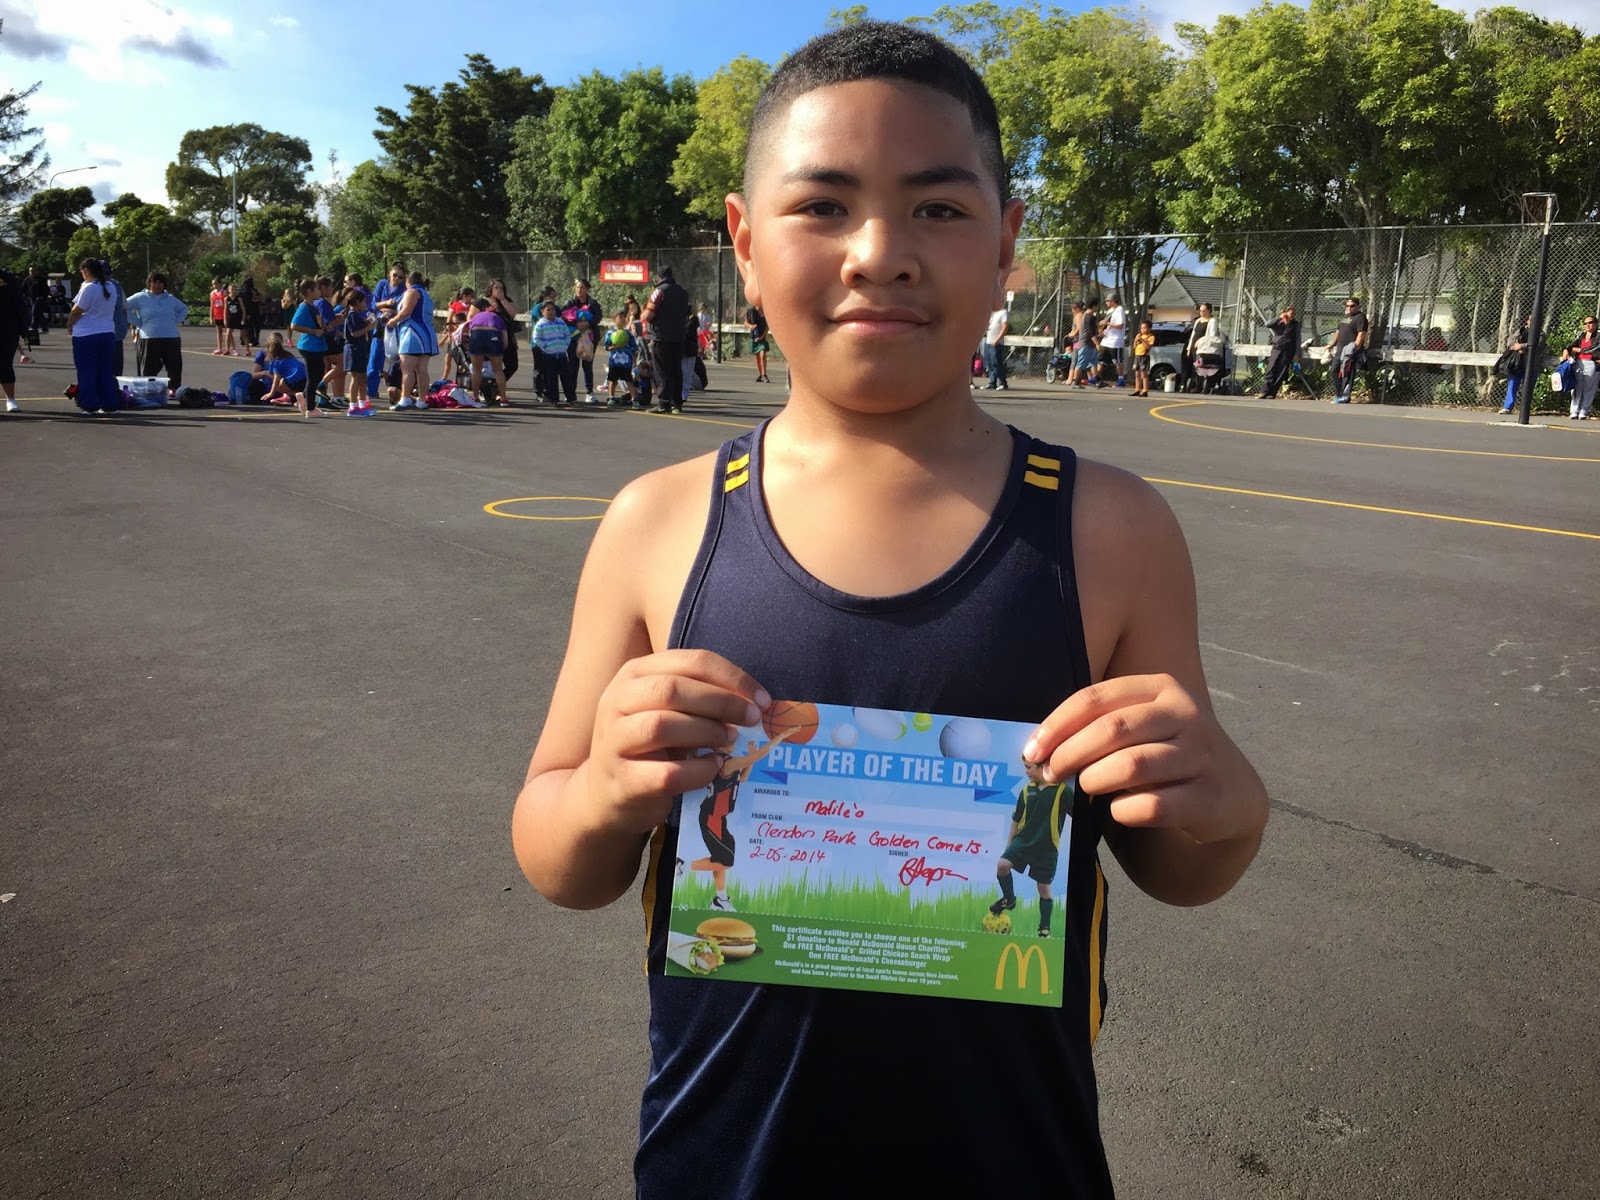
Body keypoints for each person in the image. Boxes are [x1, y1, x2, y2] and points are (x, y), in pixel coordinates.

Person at [509, 22, 1268, 1200]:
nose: (880, 253)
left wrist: (1220, 803)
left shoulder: (1109, 530)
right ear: (744, 246)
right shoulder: (658, 522)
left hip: (1019, 1161)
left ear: (1008, 244)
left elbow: (1182, 865)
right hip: (723, 1162)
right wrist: (607, 788)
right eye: (822, 206)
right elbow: (557, 853)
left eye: (939, 209)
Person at [675, 732, 792, 912]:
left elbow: (743, 778)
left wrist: (749, 759)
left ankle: (720, 900)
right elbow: (759, 755)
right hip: (711, 819)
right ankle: (683, 865)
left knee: (721, 861)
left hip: (719, 820)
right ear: (721, 743)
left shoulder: (728, 762)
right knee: (726, 861)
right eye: (731, 738)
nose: (736, 740)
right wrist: (781, 736)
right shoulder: (727, 763)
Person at [988, 758, 1071, 937]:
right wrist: (1009, 845)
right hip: (1023, 841)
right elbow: (1016, 820)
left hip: (1047, 847)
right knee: (1002, 865)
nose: (1026, 772)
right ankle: (1009, 900)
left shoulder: (1062, 791)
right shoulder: (1026, 791)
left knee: (1043, 887)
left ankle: (1044, 928)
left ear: (1043, 767)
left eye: (1028, 768)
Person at [68, 257, 121, 415]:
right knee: (105, 370)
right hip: (107, 333)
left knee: (87, 371)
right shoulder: (111, 287)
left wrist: (69, 323)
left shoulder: (89, 288)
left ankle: (89, 404)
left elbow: (77, 310)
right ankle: (109, 404)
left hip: (86, 334)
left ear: (86, 271)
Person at [125, 273, 189, 394]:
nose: (157, 285)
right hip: (149, 337)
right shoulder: (140, 297)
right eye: (155, 282)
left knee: (174, 366)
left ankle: (174, 389)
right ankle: (148, 390)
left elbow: (183, 308)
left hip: (171, 337)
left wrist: (175, 321)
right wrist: (136, 322)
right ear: (149, 283)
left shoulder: (170, 299)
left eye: (160, 283)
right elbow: (124, 306)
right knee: (148, 368)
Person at [642, 265, 689, 413]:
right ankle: (677, 403)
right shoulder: (683, 293)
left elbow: (649, 315)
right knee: (676, 370)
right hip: (678, 336)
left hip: (661, 336)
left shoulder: (659, 291)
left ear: (659, 277)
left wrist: (643, 316)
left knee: (662, 370)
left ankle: (663, 403)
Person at [389, 271, 439, 411]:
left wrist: (392, 321)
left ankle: (405, 399)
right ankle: (422, 401)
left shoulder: (412, 292)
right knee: (422, 369)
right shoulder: (425, 294)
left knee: (407, 369)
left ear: (408, 282)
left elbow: (406, 312)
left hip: (413, 333)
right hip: (427, 333)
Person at [253, 332, 316, 418]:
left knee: (279, 385)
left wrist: (271, 393)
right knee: (286, 383)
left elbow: (276, 379)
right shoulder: (287, 355)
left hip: (295, 380)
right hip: (306, 377)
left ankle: (295, 397)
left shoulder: (276, 360)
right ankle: (302, 396)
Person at [563, 278, 606, 402]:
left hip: (589, 338)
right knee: (572, 365)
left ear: (587, 289)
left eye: (581, 287)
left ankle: (589, 392)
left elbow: (598, 317)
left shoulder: (593, 304)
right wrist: (576, 324)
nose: (579, 290)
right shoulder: (569, 302)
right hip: (573, 339)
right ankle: (571, 393)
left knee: (588, 365)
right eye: (577, 287)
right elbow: (563, 316)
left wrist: (587, 323)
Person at [466, 295, 509, 406]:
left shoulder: (477, 317)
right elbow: (505, 337)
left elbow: (470, 333)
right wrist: (501, 350)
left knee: (476, 370)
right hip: (492, 335)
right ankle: (503, 398)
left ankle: (475, 397)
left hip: (477, 335)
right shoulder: (498, 318)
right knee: (498, 370)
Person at [531, 300, 574, 406]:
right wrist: (546, 347)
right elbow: (536, 338)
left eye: (553, 309)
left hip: (562, 355)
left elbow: (567, 334)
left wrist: (565, 345)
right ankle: (554, 398)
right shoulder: (541, 324)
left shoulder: (560, 322)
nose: (551, 312)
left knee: (566, 377)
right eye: (548, 309)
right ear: (542, 311)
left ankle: (570, 397)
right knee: (551, 378)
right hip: (549, 356)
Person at [341, 289, 377, 416]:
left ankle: (362, 404)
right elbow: (354, 333)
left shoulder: (357, 315)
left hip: (360, 349)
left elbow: (359, 326)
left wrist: (367, 322)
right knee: (356, 377)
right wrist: (369, 327)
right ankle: (353, 406)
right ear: (357, 302)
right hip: (353, 350)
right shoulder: (352, 315)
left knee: (363, 377)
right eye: (363, 302)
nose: (365, 304)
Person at [1326, 296, 1368, 403]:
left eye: (1352, 306)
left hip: (1350, 352)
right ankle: (1340, 394)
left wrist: (1355, 348)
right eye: (1347, 306)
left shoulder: (1360, 317)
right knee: (1334, 371)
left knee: (1347, 374)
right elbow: (1338, 331)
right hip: (1340, 350)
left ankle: (1345, 396)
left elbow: (1361, 334)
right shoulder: (1345, 317)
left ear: (1358, 306)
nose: (1349, 308)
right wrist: (1332, 344)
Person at [485, 279, 521, 401]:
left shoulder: (506, 301)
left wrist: (503, 300)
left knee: (512, 365)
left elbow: (513, 314)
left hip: (508, 338)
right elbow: (472, 318)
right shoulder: (482, 302)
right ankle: (491, 389)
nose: (499, 290)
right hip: (489, 338)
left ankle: (494, 386)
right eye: (496, 288)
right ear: (490, 289)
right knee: (494, 367)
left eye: (501, 288)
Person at [1259, 305, 1300, 399]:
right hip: (1277, 348)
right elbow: (1267, 324)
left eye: (1294, 313)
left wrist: (1297, 353)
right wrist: (1279, 318)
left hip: (1288, 350)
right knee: (1271, 369)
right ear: (1286, 312)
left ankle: (1272, 393)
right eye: (1291, 313)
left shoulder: (1296, 324)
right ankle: (1264, 391)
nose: (1293, 315)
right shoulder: (1279, 322)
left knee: (1281, 371)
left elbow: (1298, 339)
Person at [0, 265, 26, 412]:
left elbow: (19, 305)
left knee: (5, 364)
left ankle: (10, 399)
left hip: (7, 328)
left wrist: (24, 327)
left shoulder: (9, 280)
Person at [1564, 315, 1598, 420]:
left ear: (1596, 324)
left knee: (1589, 387)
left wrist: (1579, 350)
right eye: (1585, 323)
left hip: (1592, 363)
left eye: (1590, 322)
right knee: (1577, 387)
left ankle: (1584, 410)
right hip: (1579, 362)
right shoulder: (1581, 335)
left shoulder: (1598, 336)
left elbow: (1594, 348)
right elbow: (1572, 345)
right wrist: (1566, 349)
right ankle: (1574, 410)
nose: (1588, 325)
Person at [1498, 317, 1530, 416]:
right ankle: (1508, 407)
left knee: (1528, 386)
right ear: (1527, 321)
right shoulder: (1521, 330)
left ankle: (1525, 410)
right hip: (1516, 363)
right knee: (1512, 385)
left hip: (1530, 364)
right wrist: (1516, 347)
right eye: (1531, 320)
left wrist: (1522, 346)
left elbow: (1537, 345)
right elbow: (1510, 341)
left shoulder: (1540, 333)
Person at [1182, 302, 1215, 394]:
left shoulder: (1212, 321)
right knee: (1195, 367)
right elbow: (1193, 334)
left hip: (1204, 348)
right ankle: (1195, 385)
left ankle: (1202, 386)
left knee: (1202, 366)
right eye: (1200, 311)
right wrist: (1189, 348)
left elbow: (1211, 336)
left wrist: (1201, 342)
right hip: (1194, 347)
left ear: (1209, 310)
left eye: (1204, 311)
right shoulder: (1198, 321)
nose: (1202, 312)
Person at [1099, 291, 1126, 386]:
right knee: (1100, 359)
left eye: (1107, 301)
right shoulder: (1109, 311)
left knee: (1117, 361)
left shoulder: (1119, 310)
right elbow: (1108, 326)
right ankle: (1098, 378)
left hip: (1115, 341)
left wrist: (1107, 323)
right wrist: (1103, 332)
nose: (1106, 303)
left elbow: (1120, 325)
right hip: (1106, 340)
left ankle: (1121, 379)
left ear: (1113, 301)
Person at [982, 300, 1009, 390]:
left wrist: (997, 339)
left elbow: (1004, 327)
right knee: (989, 363)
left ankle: (1002, 382)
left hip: (996, 343)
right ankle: (992, 382)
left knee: (996, 363)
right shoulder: (992, 314)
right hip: (988, 341)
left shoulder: (1003, 312)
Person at [743, 303, 771, 382]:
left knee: (763, 355)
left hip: (762, 337)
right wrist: (751, 326)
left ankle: (764, 374)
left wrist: (762, 337)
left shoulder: (766, 311)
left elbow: (767, 326)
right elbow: (745, 323)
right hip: (754, 337)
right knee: (758, 357)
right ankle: (760, 375)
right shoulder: (751, 311)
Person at [1129, 318, 1155, 397]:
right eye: (1141, 328)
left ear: (1149, 328)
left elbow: (1148, 347)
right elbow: (1134, 347)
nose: (1143, 330)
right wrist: (1136, 340)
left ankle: (1145, 390)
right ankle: (1137, 389)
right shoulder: (1140, 335)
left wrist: (1142, 340)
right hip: (1137, 355)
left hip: (1144, 356)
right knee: (1137, 374)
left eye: (1145, 328)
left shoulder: (1151, 337)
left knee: (1144, 374)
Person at [239, 275, 261, 351]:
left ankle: (245, 340)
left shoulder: (244, 290)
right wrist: (248, 313)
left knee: (246, 326)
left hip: (248, 310)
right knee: (250, 327)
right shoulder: (247, 291)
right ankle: (250, 340)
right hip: (251, 310)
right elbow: (247, 302)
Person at [209, 278, 230, 354]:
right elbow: (212, 306)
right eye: (213, 284)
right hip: (217, 313)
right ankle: (219, 348)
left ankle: (229, 348)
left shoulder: (224, 292)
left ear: (219, 284)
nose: (214, 286)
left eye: (215, 284)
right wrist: (211, 317)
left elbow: (228, 303)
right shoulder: (212, 294)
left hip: (224, 314)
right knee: (219, 331)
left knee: (228, 331)